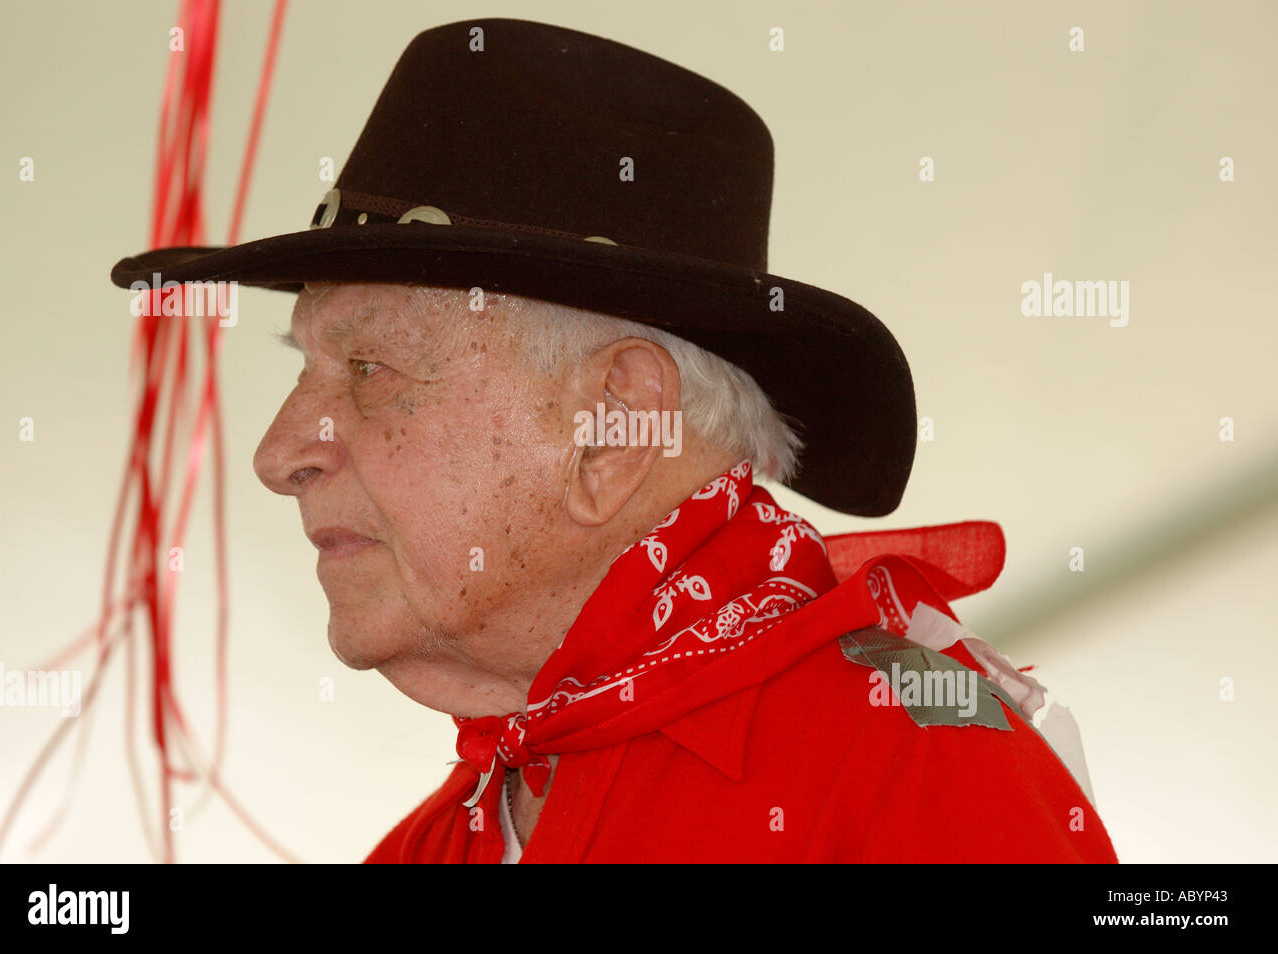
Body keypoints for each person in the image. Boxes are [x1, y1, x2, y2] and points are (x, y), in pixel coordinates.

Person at [111, 18, 1118, 863]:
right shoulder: (428, 848)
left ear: (613, 427)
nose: (281, 452)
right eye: (307, 370)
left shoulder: (915, 771)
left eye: (369, 370)